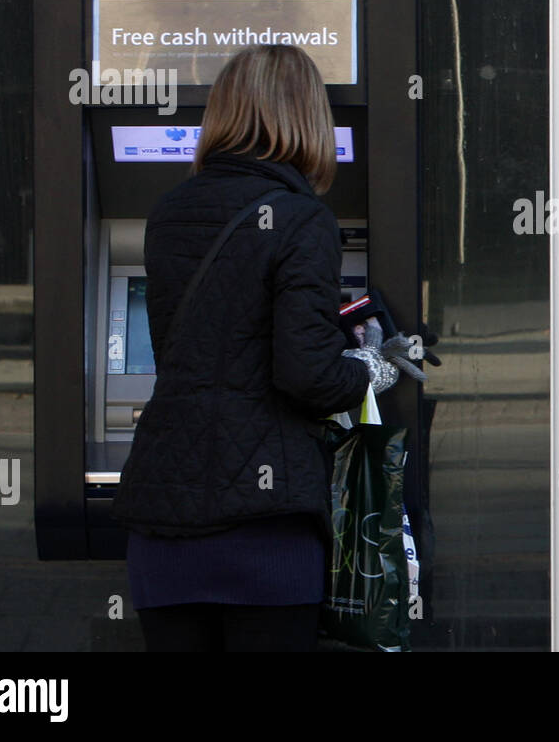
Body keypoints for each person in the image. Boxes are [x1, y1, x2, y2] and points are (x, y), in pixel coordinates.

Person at [112, 44, 397, 650]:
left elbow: (199, 350)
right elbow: (308, 375)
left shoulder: (166, 213)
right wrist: (376, 364)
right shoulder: (302, 219)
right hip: (264, 538)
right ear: (306, 120)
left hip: (163, 527)